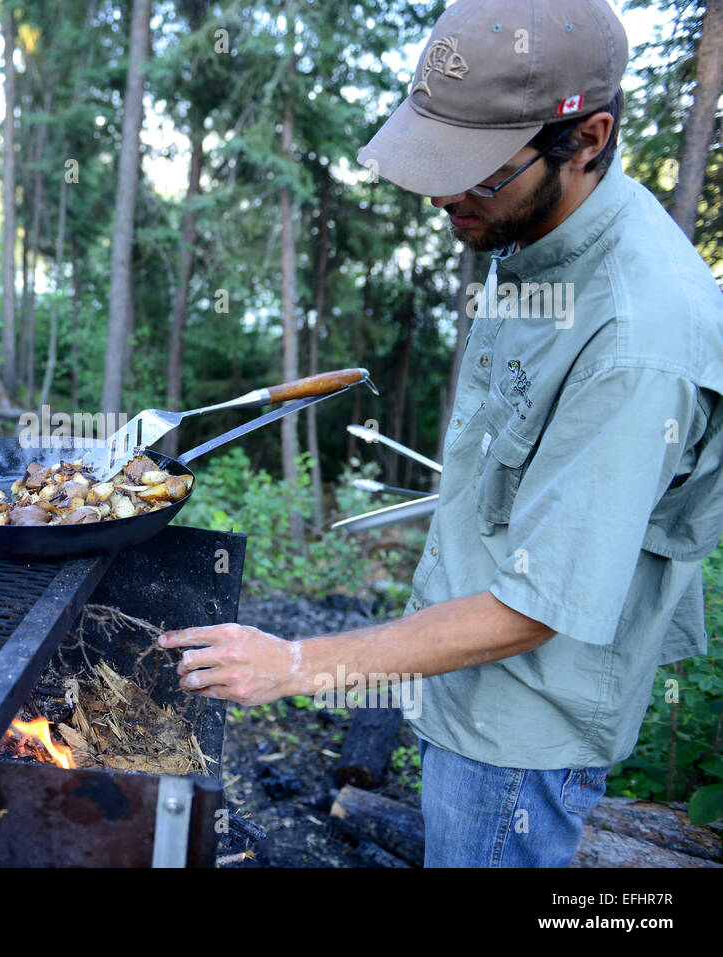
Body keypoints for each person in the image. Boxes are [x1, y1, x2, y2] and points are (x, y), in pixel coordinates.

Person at [159, 0, 723, 867]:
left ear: (590, 138)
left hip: (518, 726)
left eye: (476, 172)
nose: (443, 196)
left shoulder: (638, 338)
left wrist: (299, 664)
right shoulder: (536, 229)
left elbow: (536, 610)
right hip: (459, 670)